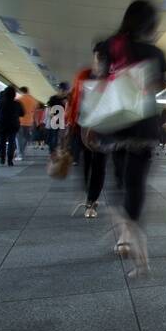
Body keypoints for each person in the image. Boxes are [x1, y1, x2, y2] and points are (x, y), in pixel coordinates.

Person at [94, 0, 166, 277]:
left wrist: (91, 124)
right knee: (136, 188)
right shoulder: (156, 53)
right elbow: (158, 85)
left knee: (118, 186)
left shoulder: (109, 46)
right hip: (144, 129)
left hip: (117, 126)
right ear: (151, 25)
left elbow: (101, 84)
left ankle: (125, 236)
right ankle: (141, 257)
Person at [67, 57, 106, 218]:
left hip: (104, 128)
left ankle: (91, 200)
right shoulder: (84, 76)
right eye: (97, 58)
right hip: (83, 127)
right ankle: (90, 195)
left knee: (99, 165)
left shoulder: (112, 79)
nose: (99, 63)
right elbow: (76, 101)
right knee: (87, 164)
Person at [0, 86, 24, 166]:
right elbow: (22, 113)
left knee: (2, 142)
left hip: (2, 124)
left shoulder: (0, 102)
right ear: (14, 94)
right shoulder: (17, 103)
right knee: (11, 142)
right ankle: (10, 160)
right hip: (13, 125)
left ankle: (2, 158)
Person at [45, 83, 68, 155]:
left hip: (64, 121)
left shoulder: (67, 99)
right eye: (62, 90)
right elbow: (49, 108)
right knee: (54, 136)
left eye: (65, 90)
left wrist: (67, 104)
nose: (63, 92)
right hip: (54, 120)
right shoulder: (53, 98)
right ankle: (52, 151)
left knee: (63, 137)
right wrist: (53, 117)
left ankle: (61, 151)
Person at [15, 86, 38, 158]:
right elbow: (34, 111)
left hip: (19, 121)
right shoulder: (33, 100)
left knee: (18, 138)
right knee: (25, 137)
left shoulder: (18, 99)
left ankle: (20, 153)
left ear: (21, 92)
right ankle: (22, 151)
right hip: (29, 122)